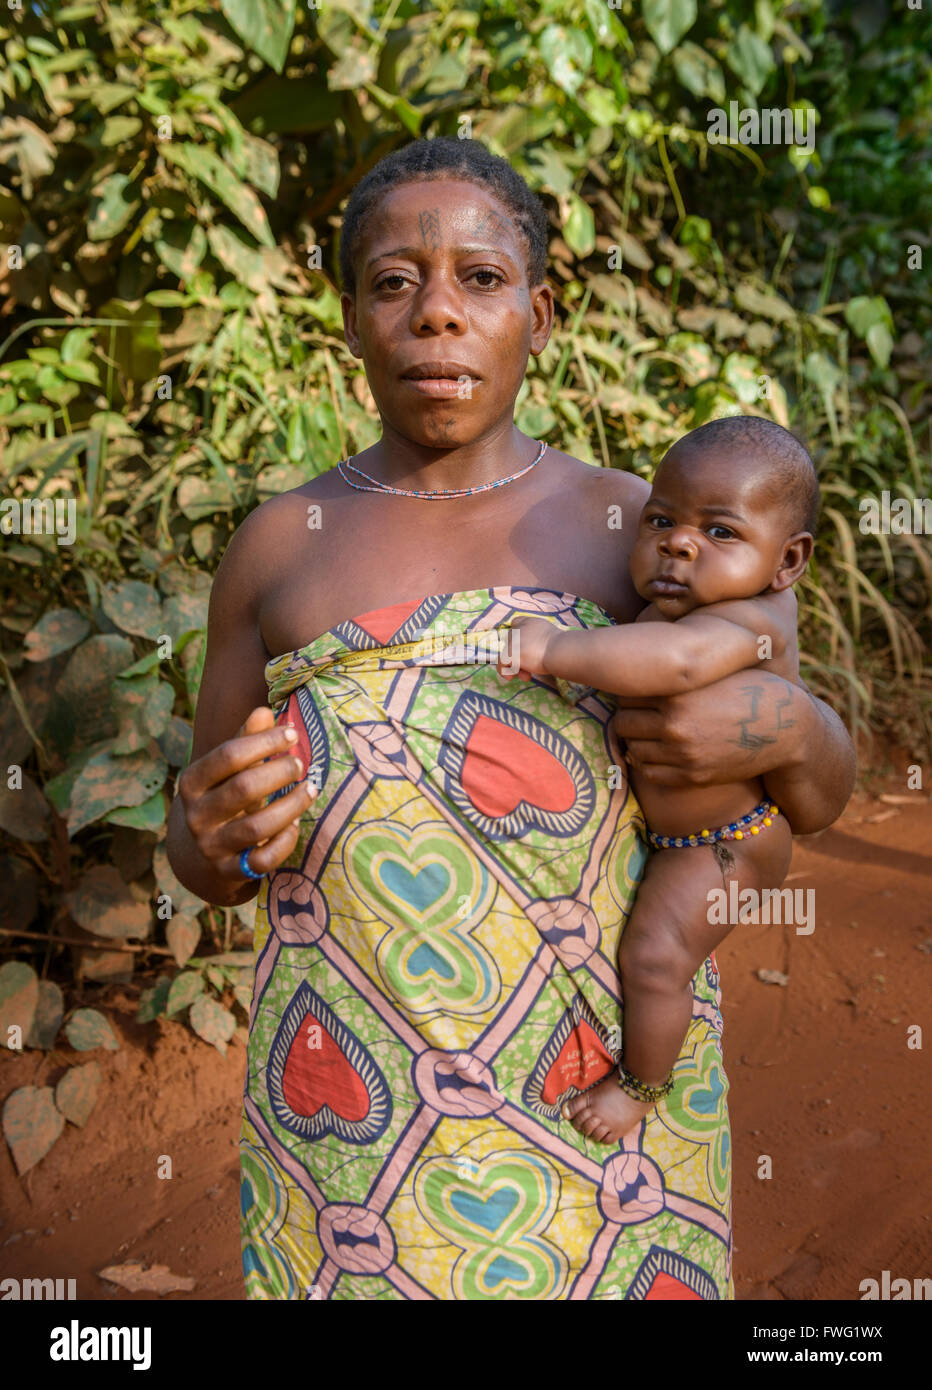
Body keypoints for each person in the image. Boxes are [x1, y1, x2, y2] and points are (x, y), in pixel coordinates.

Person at [165, 137, 855, 1300]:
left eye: (478, 279)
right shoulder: (279, 550)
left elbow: (818, 784)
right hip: (354, 1124)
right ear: (349, 319)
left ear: (537, 315)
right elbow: (204, 857)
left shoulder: (637, 527)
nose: (436, 314)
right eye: (394, 282)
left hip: (597, 1101)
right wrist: (215, 826)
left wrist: (780, 733)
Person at [497, 416, 817, 1145]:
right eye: (662, 520)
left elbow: (673, 663)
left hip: (726, 842)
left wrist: (555, 648)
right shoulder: (675, 600)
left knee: (654, 958)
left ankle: (641, 1086)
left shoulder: (753, 617)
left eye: (721, 532)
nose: (678, 542)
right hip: (678, 834)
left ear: (789, 561)